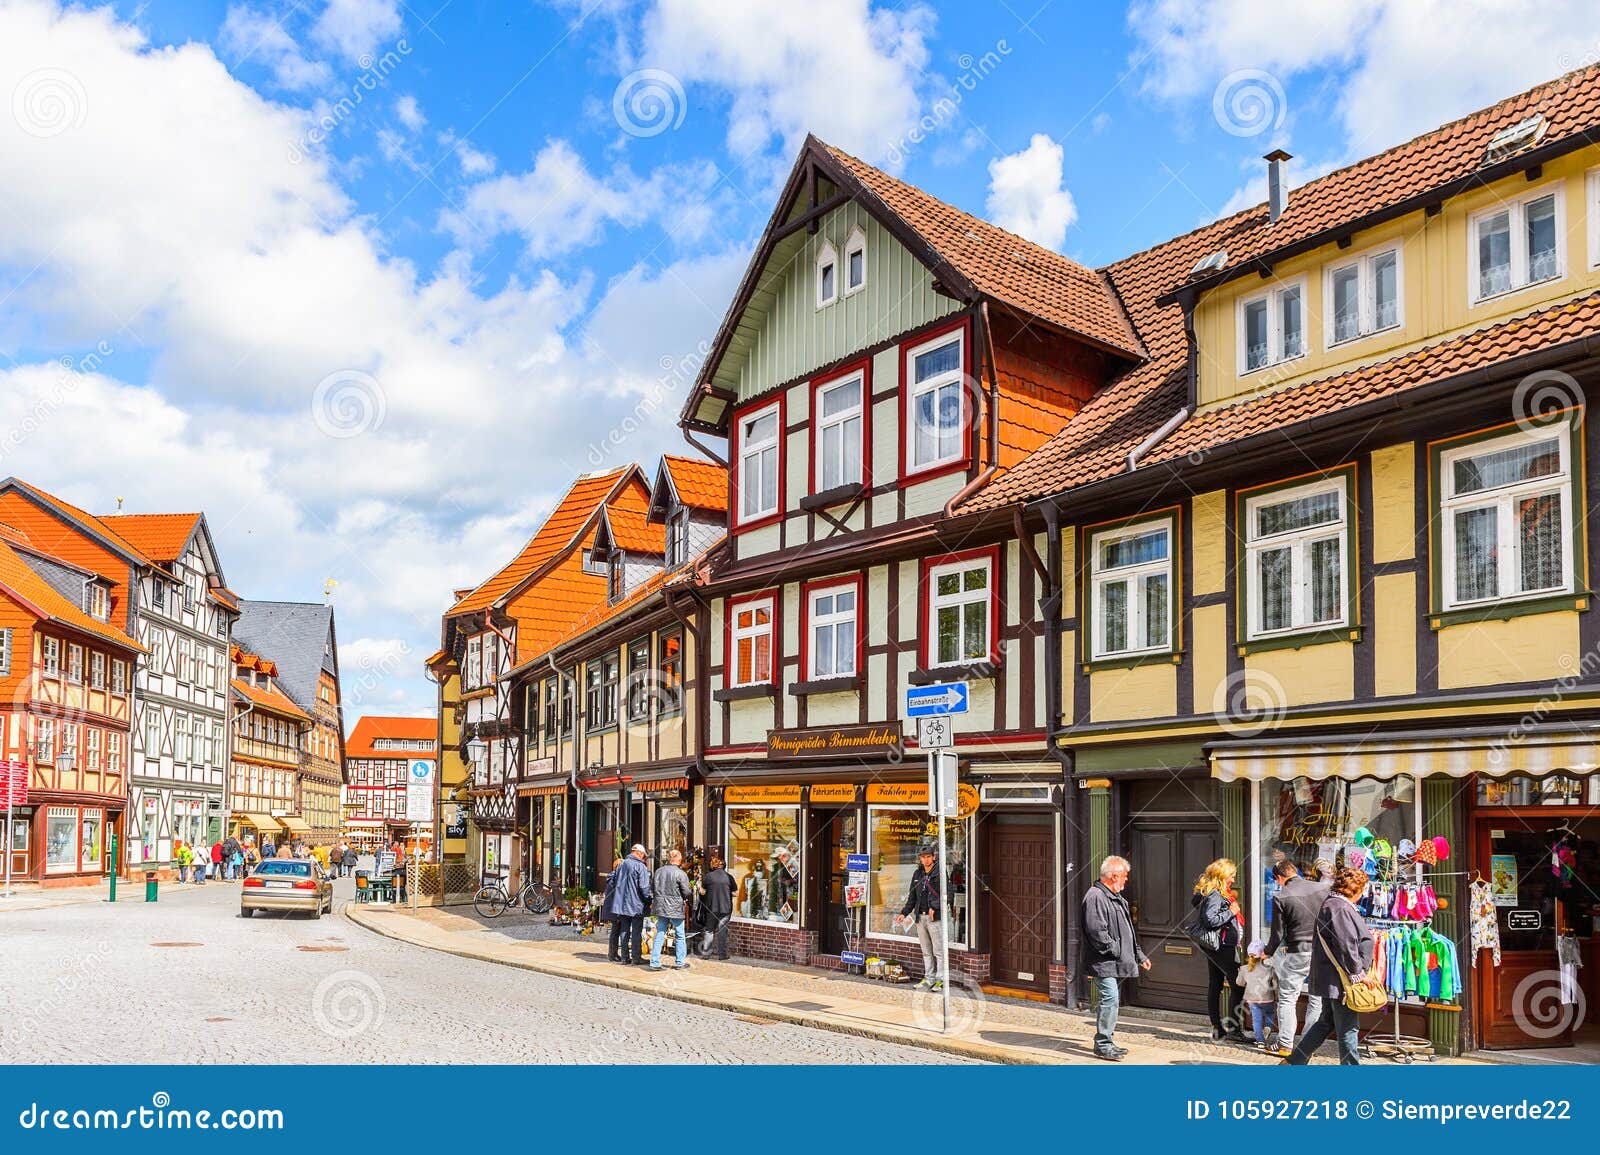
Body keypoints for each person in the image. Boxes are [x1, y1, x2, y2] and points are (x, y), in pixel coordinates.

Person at [1287, 867, 1376, 1066]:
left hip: (1333, 976)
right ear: (1355, 889)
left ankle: (1295, 1060)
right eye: (1362, 888)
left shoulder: (1336, 905)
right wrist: (1358, 973)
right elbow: (1346, 944)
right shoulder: (1339, 908)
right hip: (1341, 978)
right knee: (1348, 1028)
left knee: (1326, 1021)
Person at [1080, 855, 1150, 1061]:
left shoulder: (1117, 898)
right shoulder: (1095, 897)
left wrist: (1138, 955)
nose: (1126, 880)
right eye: (1125, 876)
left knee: (1111, 1000)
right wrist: (1116, 951)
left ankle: (1107, 1041)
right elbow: (1096, 931)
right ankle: (1102, 1044)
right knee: (1110, 998)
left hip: (1114, 960)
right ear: (1114, 875)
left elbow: (1128, 931)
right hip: (1104, 961)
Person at [1265, 857, 1330, 1058]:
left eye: (1277, 880)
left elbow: (1277, 934)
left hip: (1298, 952)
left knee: (1287, 998)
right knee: (1316, 998)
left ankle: (1285, 1044)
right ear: (1295, 871)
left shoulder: (1281, 896)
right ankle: (1308, 1045)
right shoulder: (1320, 889)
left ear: (1279, 877)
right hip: (1321, 951)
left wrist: (1267, 952)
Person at [1191, 858, 1247, 1042]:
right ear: (1222, 876)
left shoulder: (1213, 893)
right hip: (1222, 946)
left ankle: (1218, 1028)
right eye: (1231, 876)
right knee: (1238, 984)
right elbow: (1210, 920)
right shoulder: (1215, 894)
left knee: (1215, 983)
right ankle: (1234, 1029)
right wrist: (1231, 911)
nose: (1233, 879)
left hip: (1216, 946)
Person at [892, 843, 947, 990]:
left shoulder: (940, 872)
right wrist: (904, 913)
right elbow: (912, 896)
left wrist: (935, 907)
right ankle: (929, 978)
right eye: (923, 857)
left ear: (933, 857)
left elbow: (946, 894)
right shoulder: (917, 874)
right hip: (920, 918)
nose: (926, 860)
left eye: (928, 857)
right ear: (920, 859)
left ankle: (941, 980)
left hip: (935, 918)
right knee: (926, 951)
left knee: (939, 951)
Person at [649, 848, 694, 971]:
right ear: (679, 860)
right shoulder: (680, 873)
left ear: (670, 859)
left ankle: (654, 962)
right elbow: (687, 892)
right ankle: (679, 962)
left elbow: (652, 888)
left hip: (661, 907)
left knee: (660, 933)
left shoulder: (658, 871)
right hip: (675, 908)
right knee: (679, 935)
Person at [610, 844, 653, 965]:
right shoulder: (640, 866)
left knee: (624, 930)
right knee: (636, 931)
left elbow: (613, 881)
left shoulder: (621, 864)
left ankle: (624, 958)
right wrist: (649, 900)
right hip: (636, 904)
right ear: (639, 853)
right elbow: (644, 887)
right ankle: (636, 957)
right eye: (644, 855)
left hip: (621, 904)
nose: (644, 858)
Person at [1236, 939, 1279, 1047]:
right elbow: (1275, 984)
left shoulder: (1244, 969)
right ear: (1262, 954)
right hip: (1267, 998)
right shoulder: (1270, 969)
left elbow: (1239, 983)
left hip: (1252, 999)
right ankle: (1268, 1027)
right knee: (1270, 1013)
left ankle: (1260, 1041)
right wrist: (1277, 997)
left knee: (1256, 1020)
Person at [698, 853, 734, 960]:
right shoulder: (729, 877)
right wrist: (726, 892)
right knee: (722, 931)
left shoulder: (708, 877)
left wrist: (704, 890)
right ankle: (722, 955)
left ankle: (706, 954)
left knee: (709, 931)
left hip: (712, 908)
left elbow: (703, 891)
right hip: (726, 908)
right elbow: (735, 893)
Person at [601, 857, 626, 962]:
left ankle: (613, 953)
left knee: (615, 931)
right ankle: (612, 954)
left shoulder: (612, 877)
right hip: (615, 908)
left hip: (613, 908)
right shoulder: (616, 878)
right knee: (616, 931)